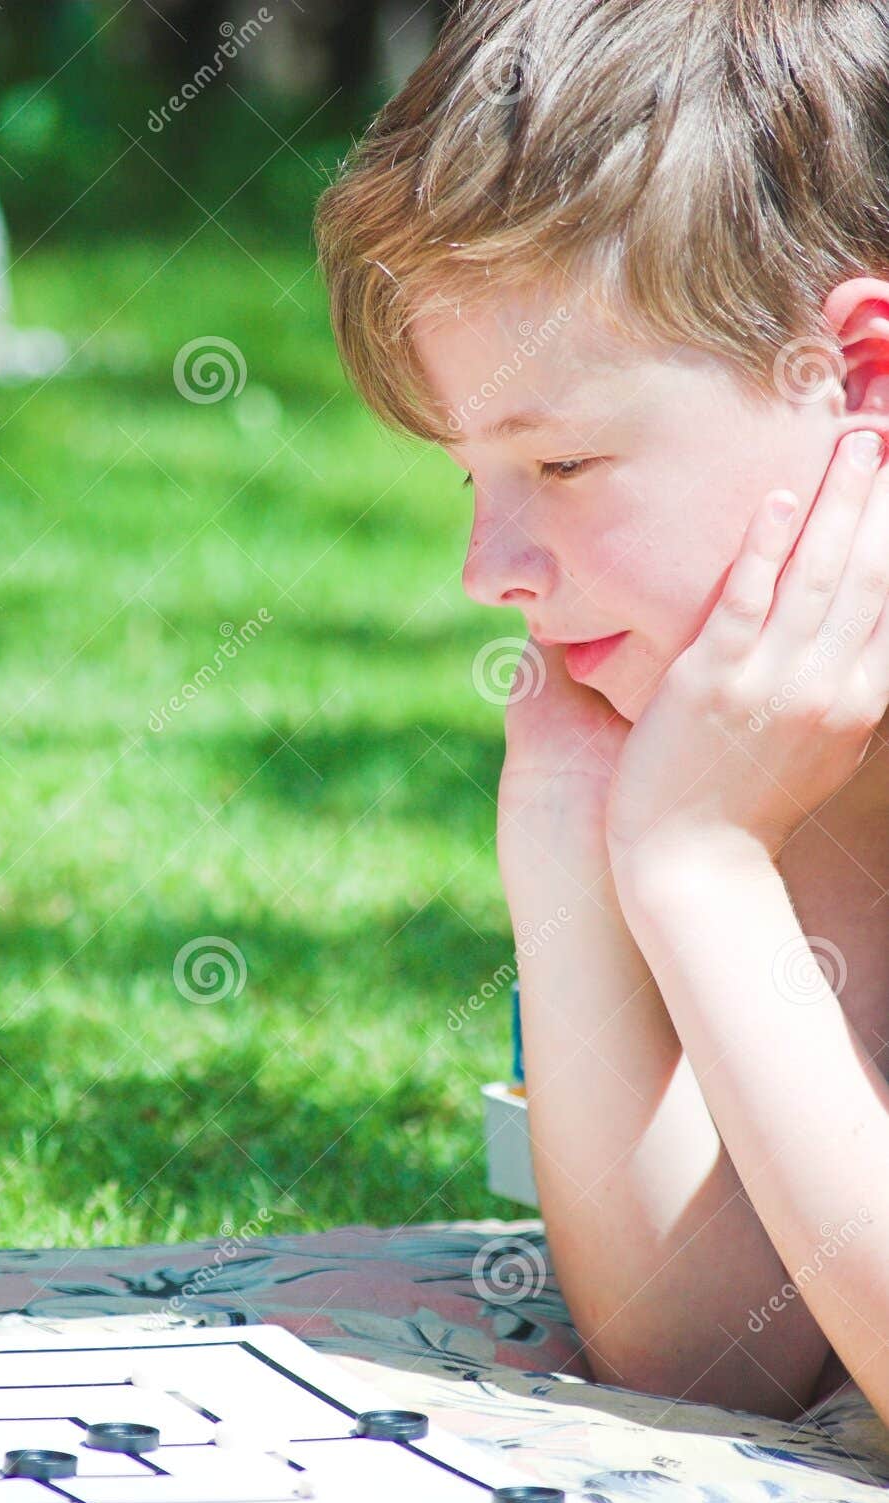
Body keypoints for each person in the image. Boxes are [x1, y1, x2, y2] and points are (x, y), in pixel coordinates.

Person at [314, 0, 889, 1427]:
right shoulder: (755, 741)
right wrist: (577, 840)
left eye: (563, 462)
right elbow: (708, 1357)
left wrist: (696, 864)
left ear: (861, 374)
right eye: (473, 479)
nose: (486, 571)